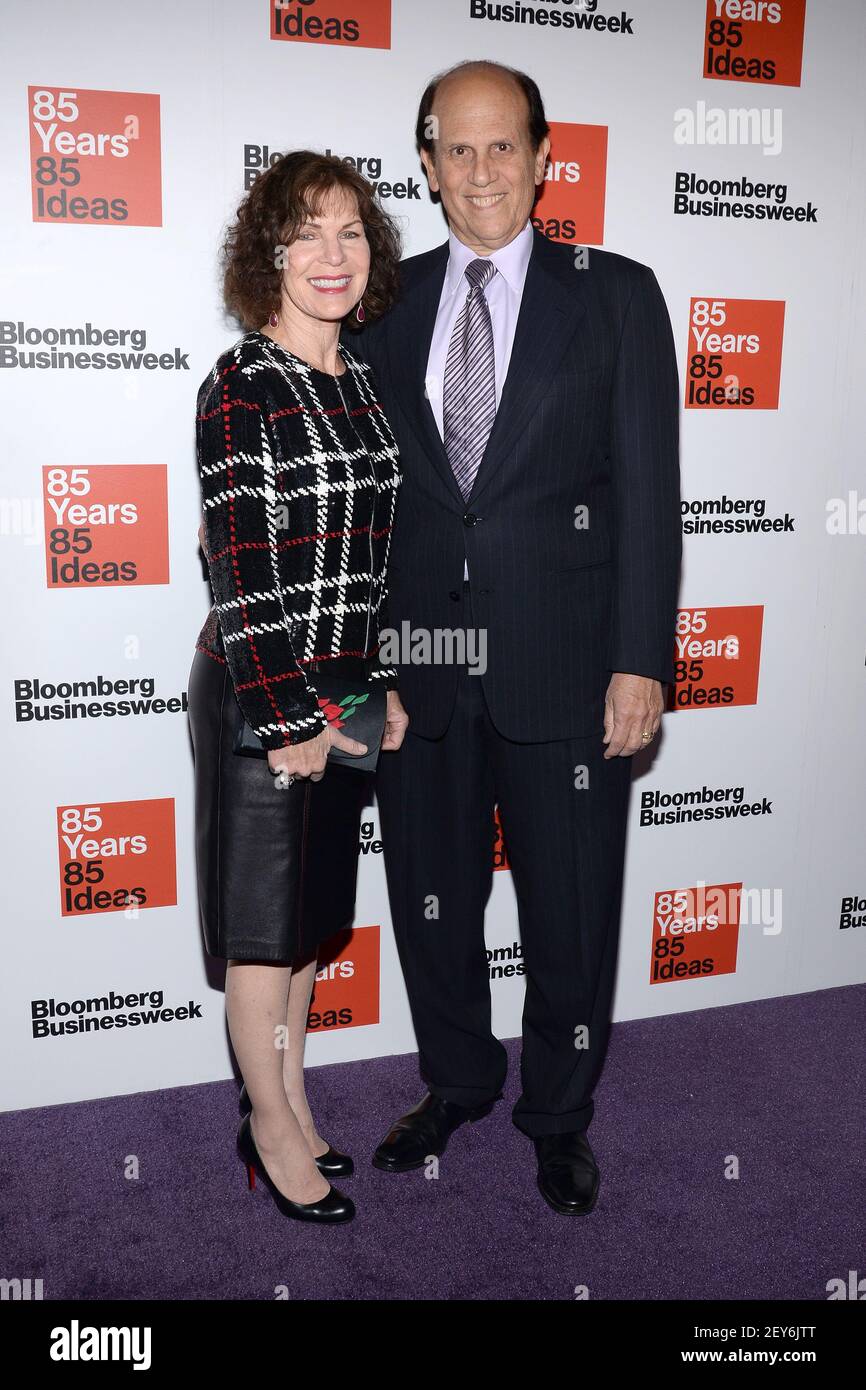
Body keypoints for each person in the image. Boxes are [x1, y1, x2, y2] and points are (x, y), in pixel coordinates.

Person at [351, 61, 681, 1215]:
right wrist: (360, 666)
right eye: (456, 148)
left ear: (543, 158)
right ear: (427, 164)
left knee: (570, 908)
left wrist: (641, 657)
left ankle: (557, 1113)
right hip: (422, 672)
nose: (480, 170)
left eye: (504, 147)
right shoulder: (384, 303)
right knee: (430, 899)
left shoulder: (616, 294)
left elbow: (647, 492)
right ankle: (455, 1080)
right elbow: (368, 498)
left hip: (566, 662)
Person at [188, 151, 408, 1226]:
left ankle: (294, 1093)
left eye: (350, 231)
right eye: (305, 234)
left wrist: (376, 687)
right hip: (260, 685)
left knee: (314, 919)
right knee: (262, 932)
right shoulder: (241, 385)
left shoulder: (358, 380)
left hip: (348, 681)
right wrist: (288, 721)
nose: (332, 255)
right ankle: (266, 1124)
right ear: (265, 256)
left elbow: (374, 556)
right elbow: (237, 567)